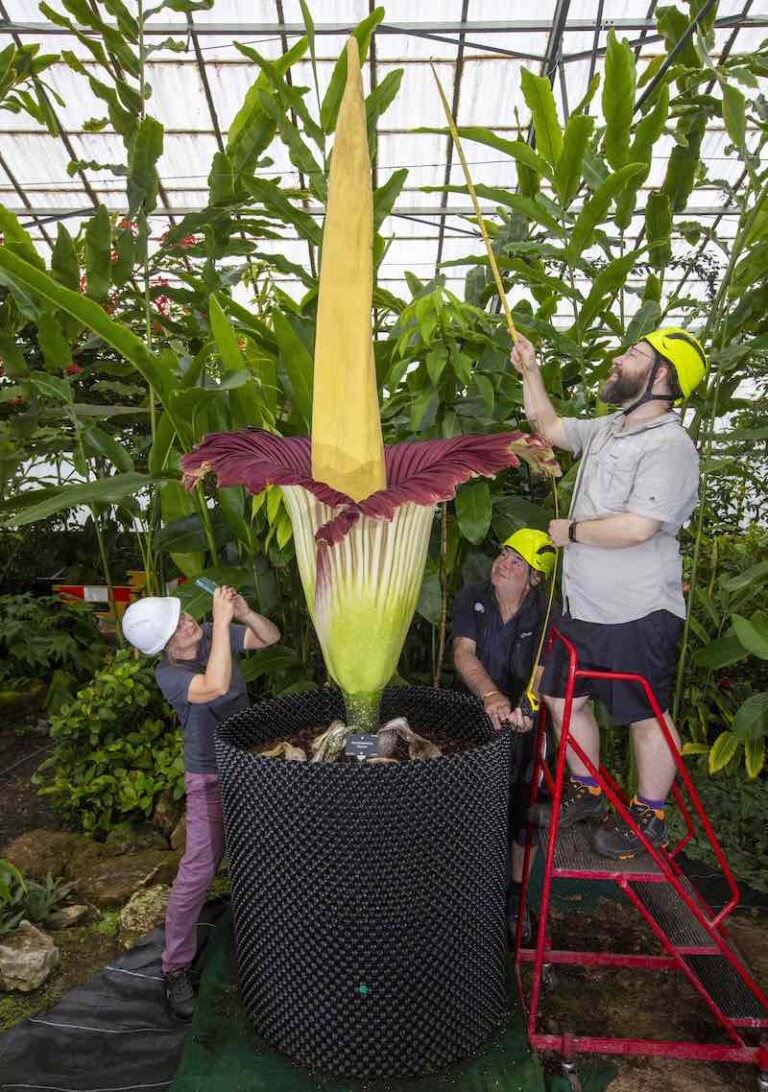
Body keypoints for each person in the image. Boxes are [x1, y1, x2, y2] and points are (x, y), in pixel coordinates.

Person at [510, 326, 706, 860]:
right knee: (560, 697)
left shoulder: (670, 445)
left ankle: (650, 814)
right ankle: (588, 788)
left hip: (637, 610)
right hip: (584, 606)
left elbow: (640, 527)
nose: (619, 358)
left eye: (635, 354)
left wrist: (569, 532)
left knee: (646, 714)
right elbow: (547, 426)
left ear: (661, 377)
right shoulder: (609, 429)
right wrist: (530, 371)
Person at [121, 586, 280, 1020]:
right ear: (169, 647)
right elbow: (216, 684)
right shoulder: (169, 677)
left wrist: (245, 614)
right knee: (197, 871)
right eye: (179, 627)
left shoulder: (212, 632)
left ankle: (268, 945)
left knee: (265, 856)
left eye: (186, 618)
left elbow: (269, 638)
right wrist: (225, 623)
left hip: (249, 766)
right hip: (209, 776)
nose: (190, 623)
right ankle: (174, 967)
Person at [452, 528, 557, 942]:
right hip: (476, 717)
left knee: (522, 814)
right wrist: (491, 695)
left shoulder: (547, 612)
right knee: (469, 809)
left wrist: (529, 706)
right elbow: (463, 652)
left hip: (525, 726)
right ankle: (467, 894)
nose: (503, 564)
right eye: (503, 555)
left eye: (517, 562)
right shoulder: (473, 597)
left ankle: (515, 898)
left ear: (533, 578)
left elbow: (547, 668)